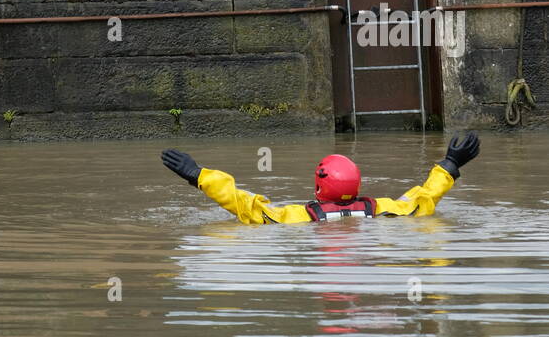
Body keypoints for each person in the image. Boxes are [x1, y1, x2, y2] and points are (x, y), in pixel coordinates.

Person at [161, 133, 480, 224]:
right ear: (357, 185)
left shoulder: (298, 217)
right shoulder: (383, 209)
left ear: (317, 186)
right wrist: (450, 163)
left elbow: (246, 206)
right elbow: (423, 199)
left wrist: (198, 175)